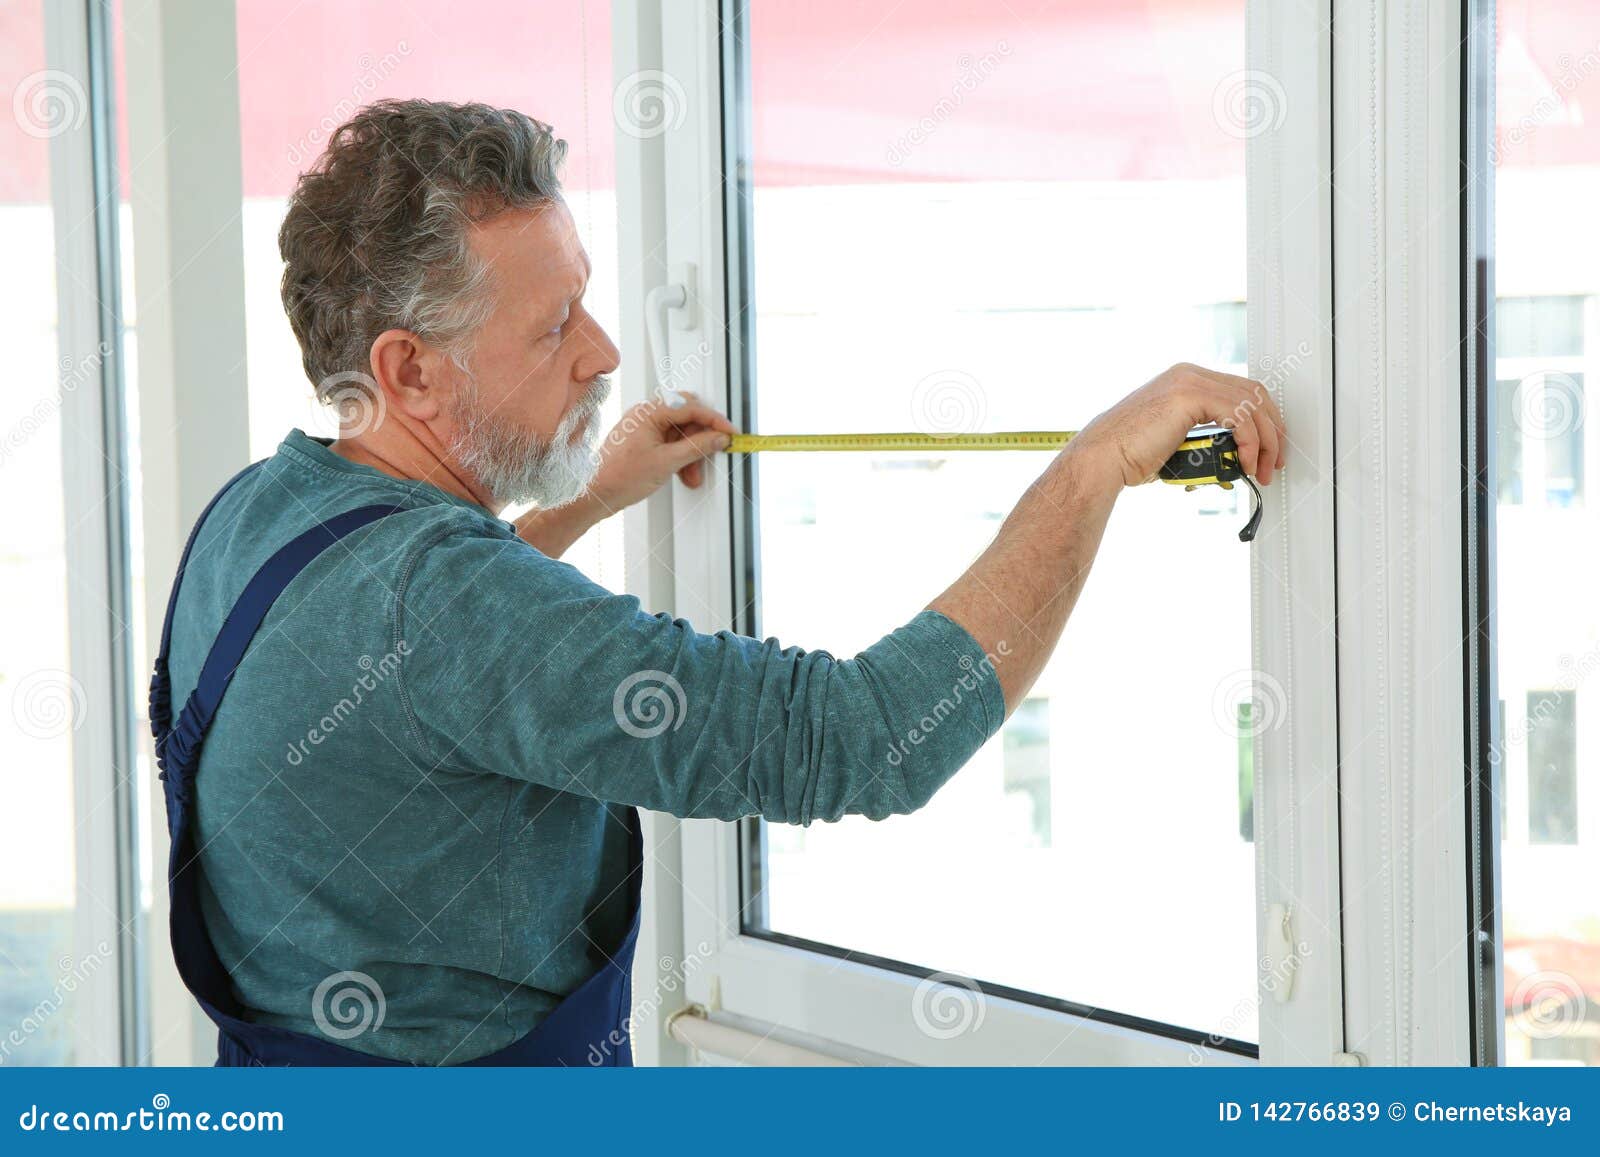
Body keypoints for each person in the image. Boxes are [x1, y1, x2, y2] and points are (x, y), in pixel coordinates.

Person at [152, 98, 1285, 1067]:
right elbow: (863, 736)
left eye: (585, 300)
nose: (600, 351)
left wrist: (588, 497)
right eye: (552, 327)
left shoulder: (261, 512)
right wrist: (1093, 465)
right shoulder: (448, 603)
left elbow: (408, 669)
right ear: (408, 370)